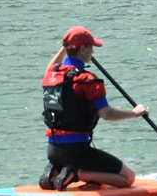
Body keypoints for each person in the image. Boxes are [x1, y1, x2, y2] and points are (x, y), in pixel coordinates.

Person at [39, 26, 148, 191]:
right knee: (128, 178)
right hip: (77, 151)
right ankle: (76, 173)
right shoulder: (87, 79)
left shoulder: (52, 75)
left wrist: (66, 46)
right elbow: (107, 114)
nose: (93, 52)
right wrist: (135, 113)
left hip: (53, 150)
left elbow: (52, 65)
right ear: (83, 49)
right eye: (91, 47)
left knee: (97, 169)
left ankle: (57, 170)